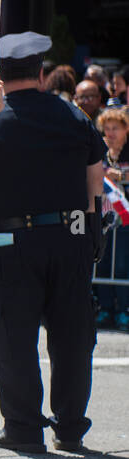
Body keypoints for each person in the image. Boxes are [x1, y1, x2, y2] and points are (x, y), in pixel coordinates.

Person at [0, 33, 106, 455]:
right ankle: (70, 428)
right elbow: (96, 183)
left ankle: (22, 428)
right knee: (72, 337)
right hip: (70, 238)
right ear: (40, 73)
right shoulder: (74, 117)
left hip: (6, 241)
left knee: (13, 336)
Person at [96, 106, 129, 329]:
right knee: (103, 264)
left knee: (121, 266)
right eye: (106, 128)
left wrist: (123, 175)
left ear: (125, 129)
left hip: (124, 218)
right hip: (103, 218)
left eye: (115, 128)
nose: (110, 133)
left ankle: (123, 310)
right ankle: (105, 308)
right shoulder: (100, 152)